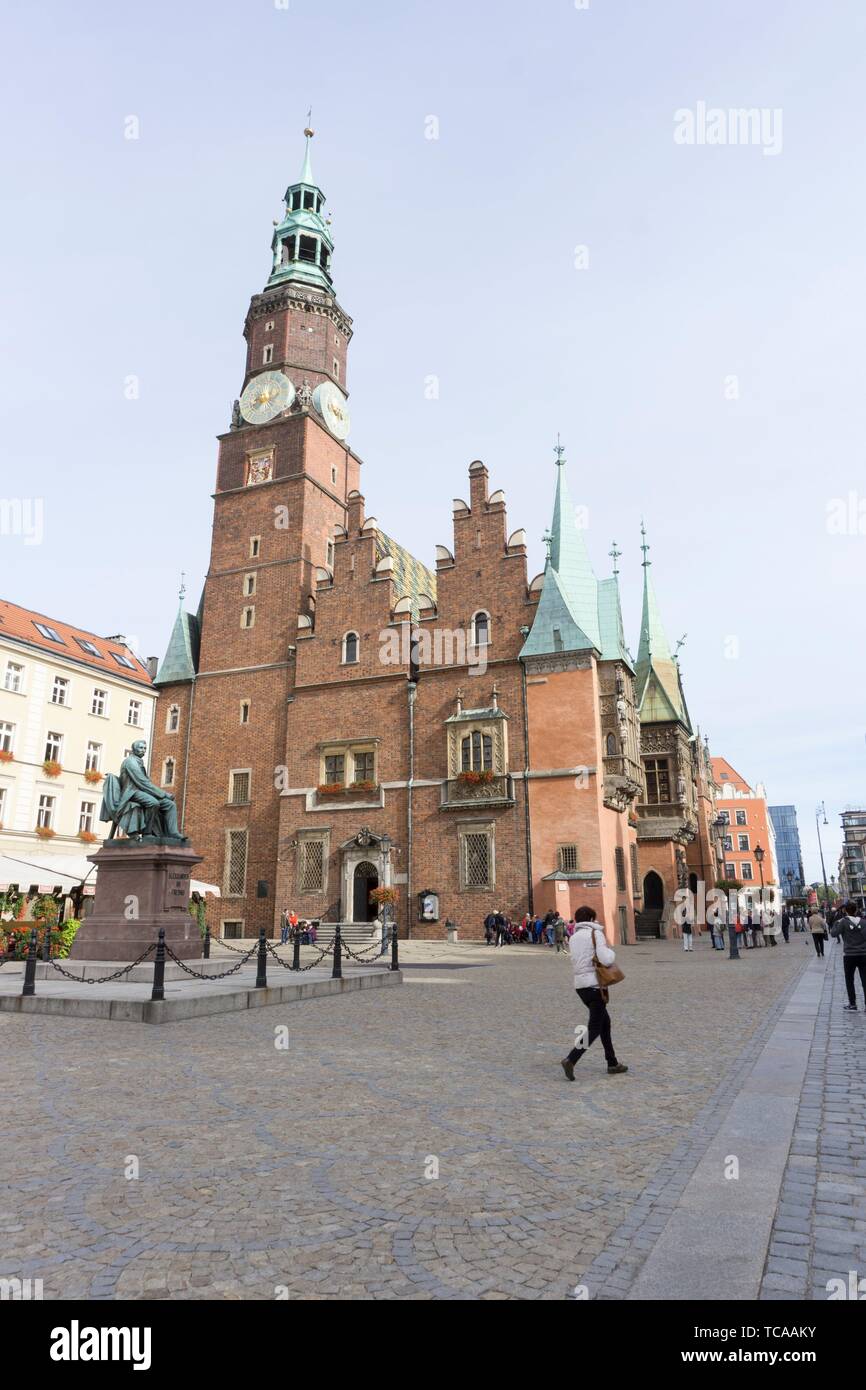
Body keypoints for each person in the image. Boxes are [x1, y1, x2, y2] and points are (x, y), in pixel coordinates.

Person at [561, 906, 627, 1079]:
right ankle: (571, 1058)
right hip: (594, 985)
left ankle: (612, 1062)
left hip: (580, 986)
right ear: (591, 919)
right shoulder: (595, 934)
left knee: (605, 1023)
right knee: (595, 1027)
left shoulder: (574, 937)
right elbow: (606, 958)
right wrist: (611, 953)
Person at [829, 902, 866, 1010]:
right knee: (865, 980)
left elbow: (833, 933)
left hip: (849, 955)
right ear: (856, 910)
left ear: (845, 910)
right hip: (863, 954)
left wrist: (836, 923)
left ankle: (853, 1003)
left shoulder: (843, 922)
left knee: (849, 979)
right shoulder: (863, 922)